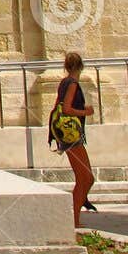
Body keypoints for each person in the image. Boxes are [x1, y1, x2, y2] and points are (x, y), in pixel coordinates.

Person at [51, 50, 97, 225]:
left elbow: (58, 107)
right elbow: (66, 109)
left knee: (87, 178)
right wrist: (86, 111)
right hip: (72, 136)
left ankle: (76, 210)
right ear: (81, 66)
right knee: (85, 177)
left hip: (67, 135)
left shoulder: (64, 83)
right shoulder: (72, 84)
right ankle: (74, 219)